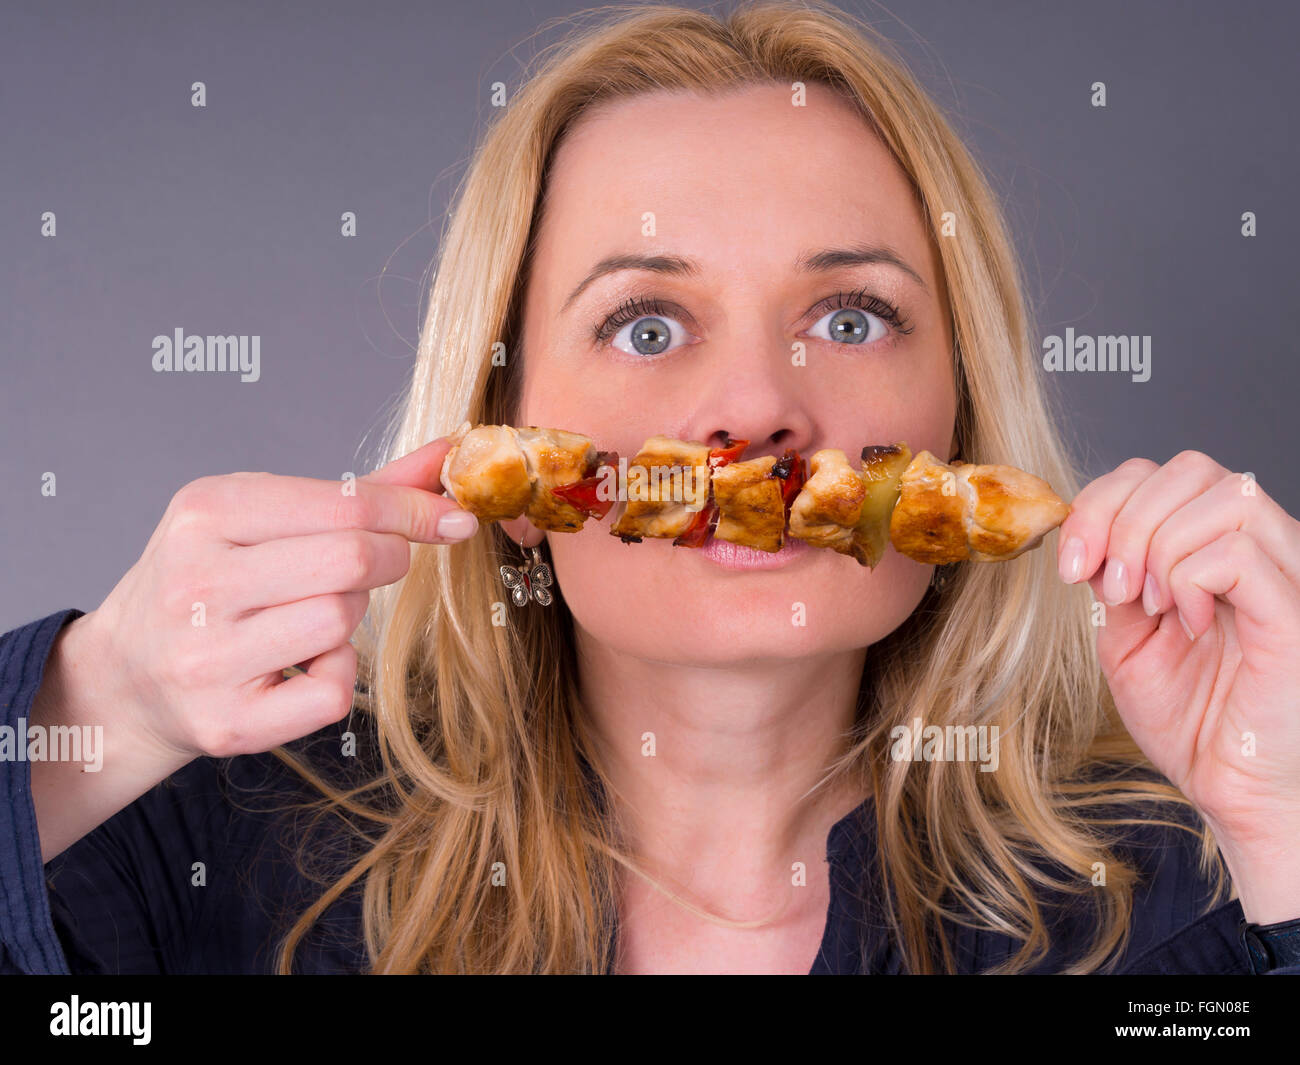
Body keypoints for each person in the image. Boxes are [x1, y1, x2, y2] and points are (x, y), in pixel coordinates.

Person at [4, 0, 1298, 975]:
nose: (755, 406)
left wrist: (1288, 816)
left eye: (851, 316)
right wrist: (92, 710)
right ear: (507, 422)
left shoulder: (1183, 884)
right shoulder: (225, 855)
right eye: (644, 323)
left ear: (959, 416)